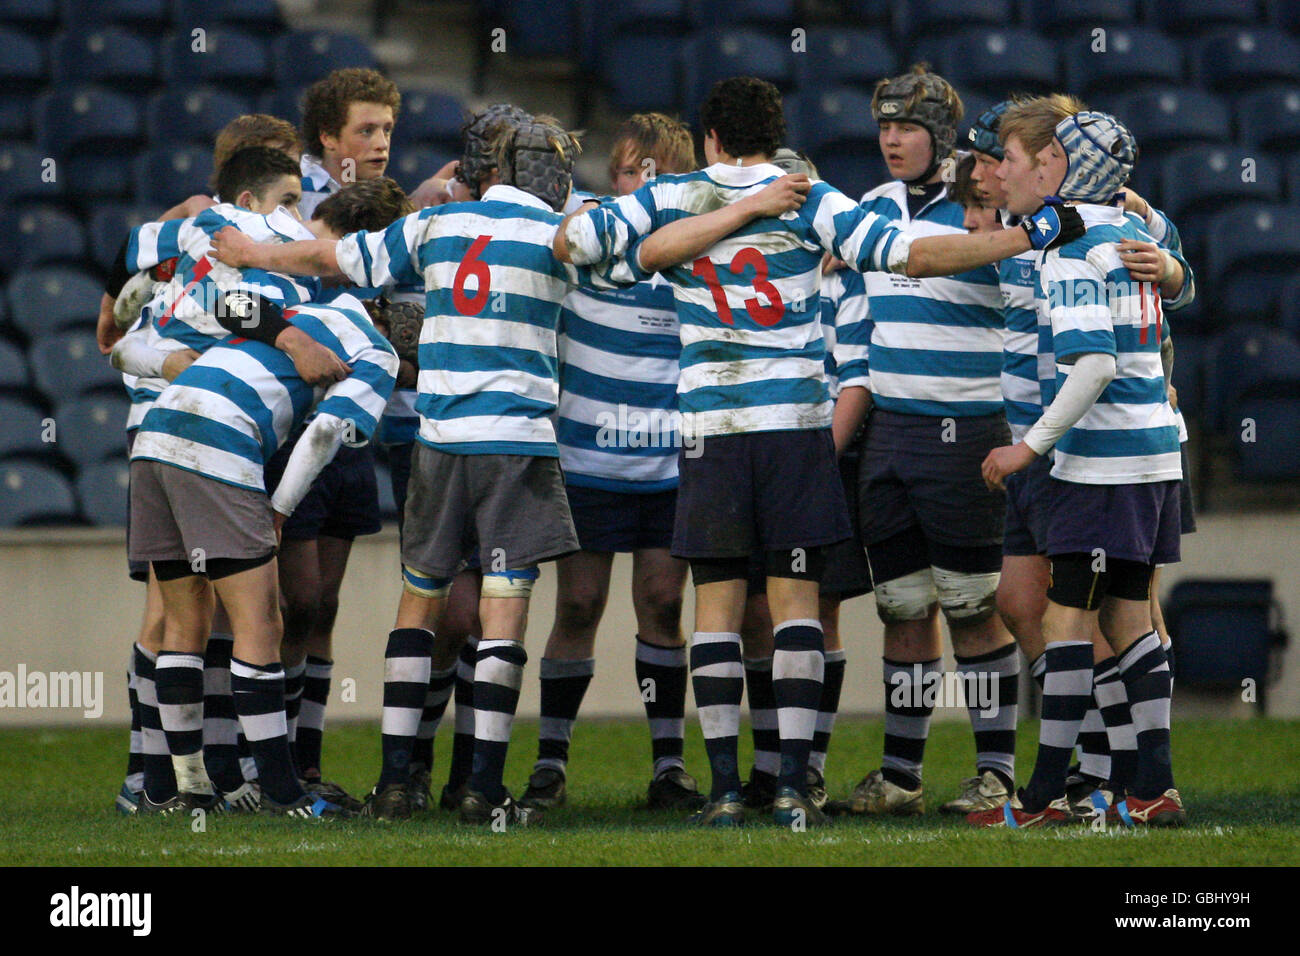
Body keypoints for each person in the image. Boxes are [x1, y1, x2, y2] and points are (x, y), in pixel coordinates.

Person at [555, 76, 1085, 827]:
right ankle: (793, 789)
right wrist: (1028, 234)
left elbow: (574, 243)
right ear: (773, 139)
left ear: (708, 138)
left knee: (720, 608)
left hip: (712, 430)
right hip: (797, 429)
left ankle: (727, 789)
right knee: (799, 603)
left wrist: (707, 221)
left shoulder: (669, 197)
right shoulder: (815, 197)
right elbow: (911, 257)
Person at [972, 110, 1187, 828]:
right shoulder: (1135, 232)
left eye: (1023, 156)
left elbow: (1093, 362)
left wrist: (1028, 446)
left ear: (1059, 165)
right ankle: (1151, 789)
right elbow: (1169, 290)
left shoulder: (1070, 247)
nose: (1011, 169)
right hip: (1157, 449)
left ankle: (1040, 798)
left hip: (1100, 457)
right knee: (1128, 614)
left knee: (1068, 618)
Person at [127, 290, 397, 817]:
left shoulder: (292, 314)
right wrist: (280, 509)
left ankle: (176, 791)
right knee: (262, 624)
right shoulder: (377, 349)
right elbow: (324, 431)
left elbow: (219, 306)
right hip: (219, 441)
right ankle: (282, 792)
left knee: (186, 622)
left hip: (155, 434)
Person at [519, 112, 704, 812]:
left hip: (668, 466)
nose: (638, 187)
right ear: (612, 177)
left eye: (655, 176)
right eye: (629, 171)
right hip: (588, 460)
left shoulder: (699, 248)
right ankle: (551, 763)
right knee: (578, 603)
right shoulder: (579, 236)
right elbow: (510, 207)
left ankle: (669, 768)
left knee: (661, 604)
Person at [298, 68, 401, 218]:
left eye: (387, 130)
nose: (382, 144)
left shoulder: (393, 203)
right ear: (328, 137)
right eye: (366, 131)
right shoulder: (293, 195)